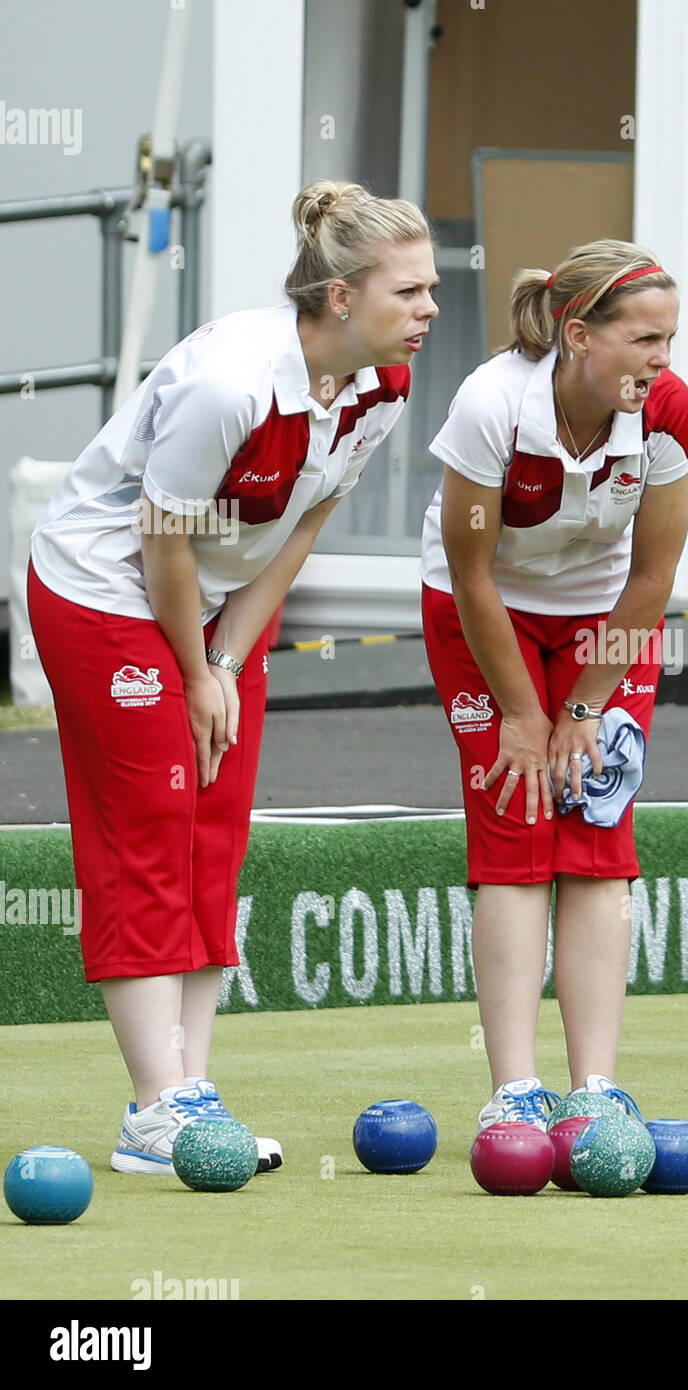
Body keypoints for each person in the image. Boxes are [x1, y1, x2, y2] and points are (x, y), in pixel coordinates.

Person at [27, 180, 436, 1175]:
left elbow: (299, 532)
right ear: (340, 296)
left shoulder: (381, 385)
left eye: (430, 289)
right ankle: (152, 1110)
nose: (430, 309)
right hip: (107, 591)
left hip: (216, 609)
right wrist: (190, 667)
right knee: (149, 838)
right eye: (410, 291)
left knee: (213, 833)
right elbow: (160, 540)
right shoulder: (234, 384)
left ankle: (189, 1099)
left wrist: (223, 659)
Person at [420, 239, 688, 1128]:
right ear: (578, 335)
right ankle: (512, 1091)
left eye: (669, 339)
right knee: (514, 826)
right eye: (643, 339)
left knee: (594, 835)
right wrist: (521, 714)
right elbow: (473, 575)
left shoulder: (666, 410)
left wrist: (583, 707)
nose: (661, 360)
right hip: (483, 615)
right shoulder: (490, 403)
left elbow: (653, 577)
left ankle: (594, 1090)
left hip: (603, 623)